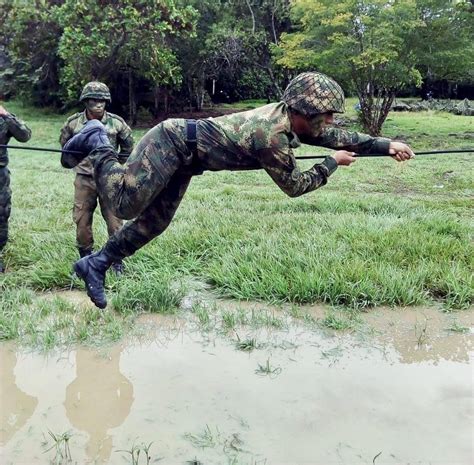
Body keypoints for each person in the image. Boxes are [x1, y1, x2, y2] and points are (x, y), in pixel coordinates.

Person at [62, 72, 414, 309]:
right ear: (304, 111)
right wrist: (332, 164)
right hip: (170, 142)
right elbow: (295, 186)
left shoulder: (295, 119)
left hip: (187, 159)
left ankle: (96, 264)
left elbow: (340, 137)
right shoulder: (271, 135)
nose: (331, 121)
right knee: (125, 205)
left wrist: (386, 145)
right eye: (326, 114)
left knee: (154, 223)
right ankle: (97, 142)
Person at [59, 81, 134, 274]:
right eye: (93, 100)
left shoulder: (116, 122)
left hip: (109, 179)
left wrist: (116, 165)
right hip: (84, 179)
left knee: (115, 221)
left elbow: (128, 146)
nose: (98, 104)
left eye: (102, 100)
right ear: (85, 101)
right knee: (82, 220)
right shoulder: (73, 123)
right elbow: (66, 148)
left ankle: (117, 262)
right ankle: (85, 260)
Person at [0, 104, 32, 273]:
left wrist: (5, 114)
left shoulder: (5, 119)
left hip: (0, 175)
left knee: (1, 213)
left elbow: (25, 135)